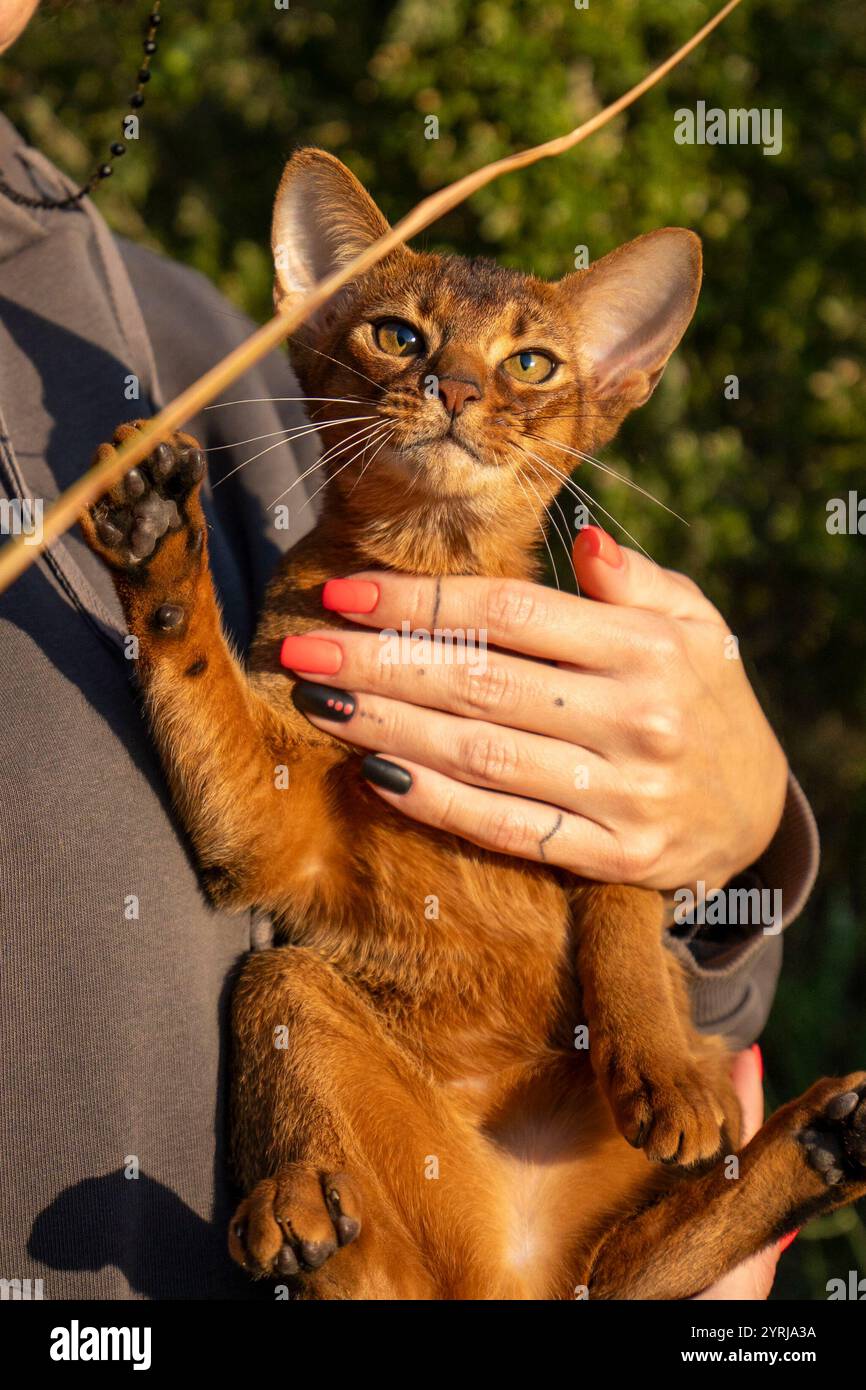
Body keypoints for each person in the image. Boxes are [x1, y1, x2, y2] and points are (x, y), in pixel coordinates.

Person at [0, 0, 817, 1299]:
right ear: (310, 322)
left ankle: (732, 1208)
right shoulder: (284, 543)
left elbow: (639, 879)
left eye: (534, 365)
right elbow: (265, 848)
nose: (454, 387)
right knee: (283, 991)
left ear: (611, 390)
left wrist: (738, 841)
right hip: (388, 1125)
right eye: (398, 337)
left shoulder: (181, 333)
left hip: (574, 1128)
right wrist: (182, 610)